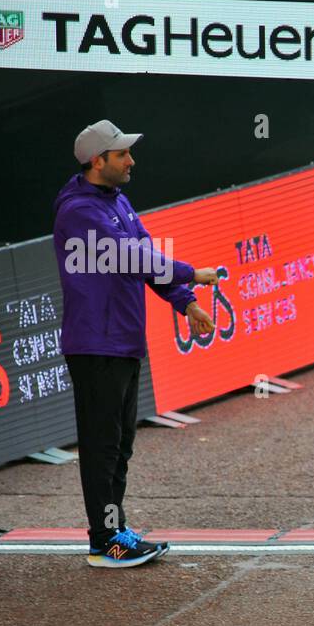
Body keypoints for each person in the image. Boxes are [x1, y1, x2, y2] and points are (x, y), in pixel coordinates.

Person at [53, 119, 218, 567]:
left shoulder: (117, 202)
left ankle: (114, 530)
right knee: (102, 444)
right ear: (97, 161)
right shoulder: (78, 211)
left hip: (123, 341)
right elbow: (133, 257)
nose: (131, 160)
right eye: (122, 154)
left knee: (120, 443)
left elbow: (148, 260)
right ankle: (104, 540)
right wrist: (190, 273)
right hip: (96, 345)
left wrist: (186, 303)